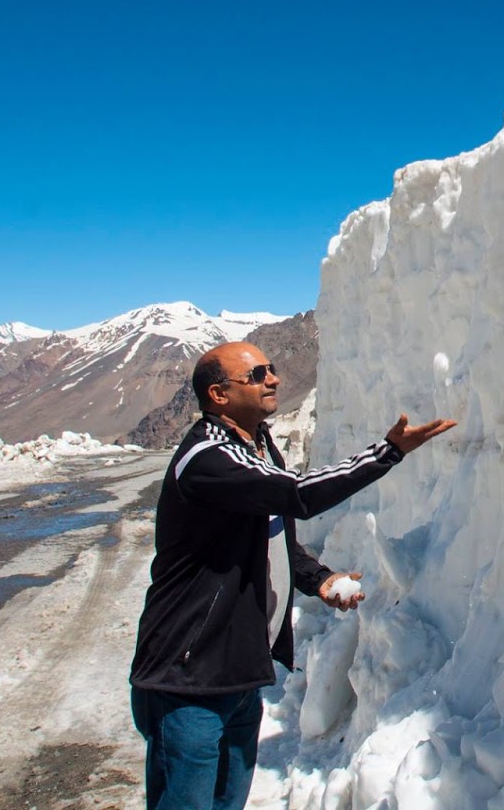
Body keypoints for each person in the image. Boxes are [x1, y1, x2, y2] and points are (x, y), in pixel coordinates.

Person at [128, 341, 454, 810]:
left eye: (273, 369)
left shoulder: (256, 447)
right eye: (258, 374)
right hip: (187, 678)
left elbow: (272, 535)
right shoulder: (207, 458)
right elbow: (297, 496)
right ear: (219, 395)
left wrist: (317, 578)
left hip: (237, 673)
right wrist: (388, 453)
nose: (274, 379)